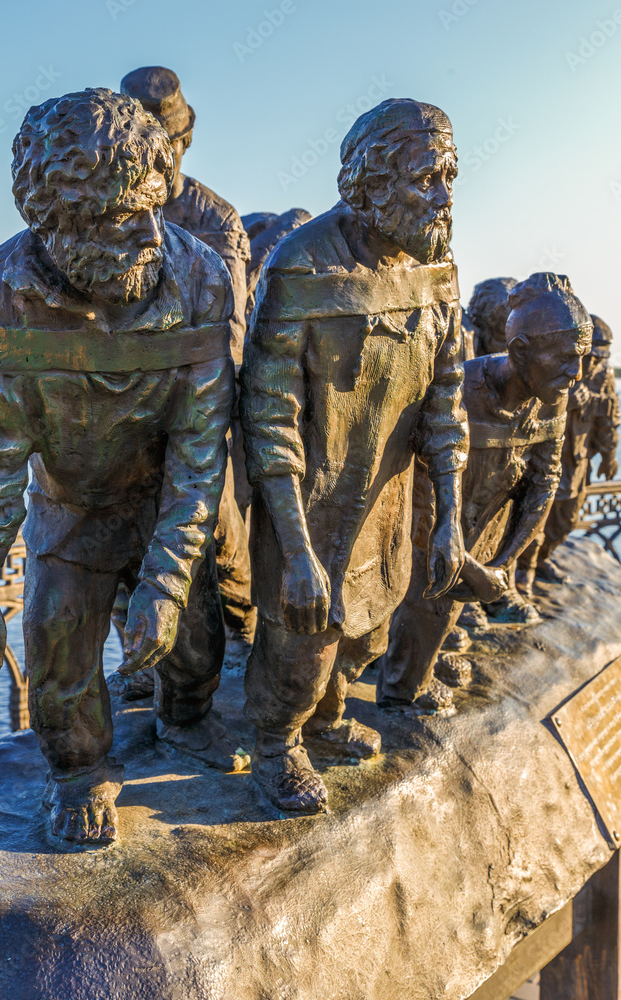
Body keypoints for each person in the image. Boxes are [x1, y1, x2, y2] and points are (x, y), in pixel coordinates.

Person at [0, 89, 247, 846]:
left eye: (156, 204)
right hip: (69, 507)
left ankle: (184, 721)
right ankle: (78, 772)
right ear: (54, 218)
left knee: (195, 646)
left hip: (162, 499)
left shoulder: (201, 277)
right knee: (57, 648)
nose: (152, 232)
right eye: (121, 216)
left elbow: (200, 452)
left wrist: (168, 582)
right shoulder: (2, 292)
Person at [240, 98, 469, 814]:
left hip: (386, 502)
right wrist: (296, 547)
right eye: (424, 178)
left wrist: (451, 517)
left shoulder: (438, 270)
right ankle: (277, 745)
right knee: (301, 647)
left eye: (449, 177)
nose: (442, 197)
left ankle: (331, 717)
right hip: (308, 507)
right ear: (368, 184)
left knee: (367, 633)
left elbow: (446, 403)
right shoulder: (301, 267)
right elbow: (270, 417)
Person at [375, 273, 592, 710]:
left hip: (480, 531)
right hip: (430, 528)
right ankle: (398, 692)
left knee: (443, 611)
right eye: (566, 357)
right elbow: (419, 488)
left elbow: (544, 481)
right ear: (520, 352)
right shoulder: (460, 392)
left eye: (582, 357)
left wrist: (502, 565)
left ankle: (412, 673)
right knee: (419, 603)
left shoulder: (554, 395)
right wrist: (469, 564)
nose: (578, 371)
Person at [119, 64, 255, 648]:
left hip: (194, 407)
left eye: (163, 145)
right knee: (119, 541)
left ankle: (246, 638)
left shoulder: (213, 220)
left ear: (183, 142)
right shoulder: (109, 212)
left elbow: (225, 332)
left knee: (218, 538)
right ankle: (137, 659)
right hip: (118, 409)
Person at [518, 314, 619, 592]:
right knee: (534, 520)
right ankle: (522, 573)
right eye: (590, 357)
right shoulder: (554, 368)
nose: (594, 364)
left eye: (600, 359)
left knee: (567, 521)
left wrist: (609, 454)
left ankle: (542, 560)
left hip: (577, 462)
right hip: (544, 462)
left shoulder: (604, 376)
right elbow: (525, 413)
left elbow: (608, 416)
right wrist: (567, 402)